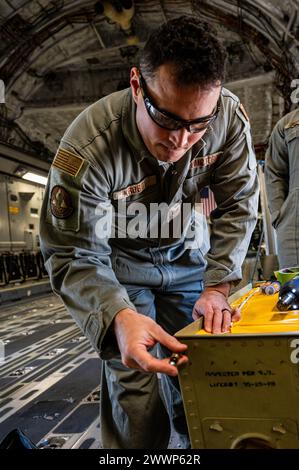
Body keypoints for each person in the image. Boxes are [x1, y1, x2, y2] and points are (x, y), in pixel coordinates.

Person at [40, 16, 259, 449]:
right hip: (121, 275)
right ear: (137, 86)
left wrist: (218, 286)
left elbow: (238, 203)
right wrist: (117, 318)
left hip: (189, 265)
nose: (181, 141)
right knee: (136, 392)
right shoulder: (88, 147)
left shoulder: (227, 118)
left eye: (198, 125)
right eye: (168, 119)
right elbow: (72, 252)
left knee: (202, 375)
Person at [265, 108, 299, 268]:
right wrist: (280, 215)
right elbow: (274, 174)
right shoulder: (288, 125)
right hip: (294, 227)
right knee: (293, 285)